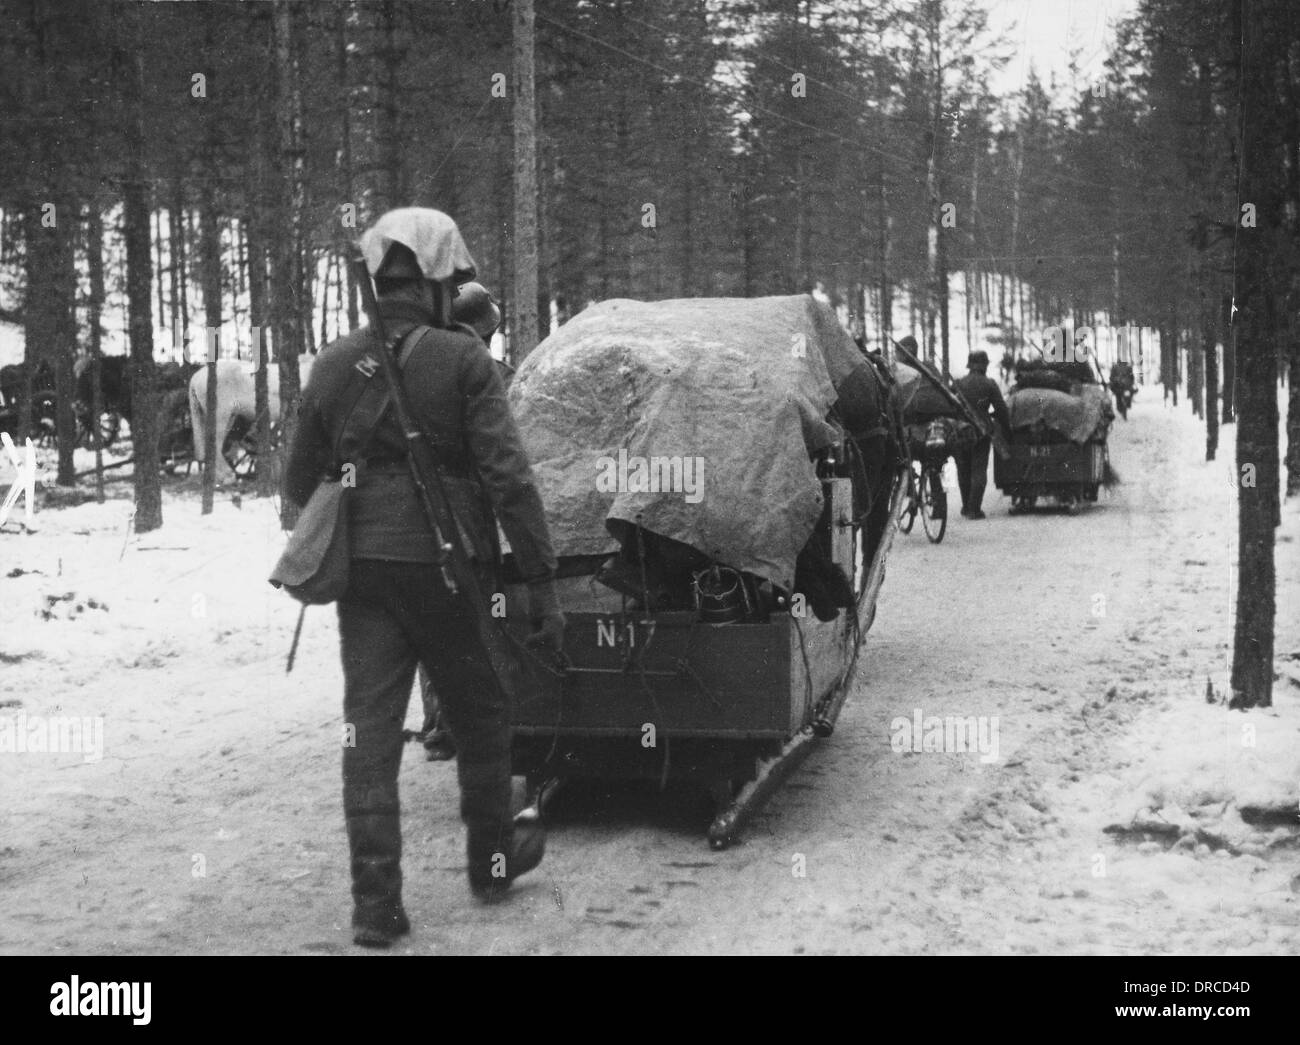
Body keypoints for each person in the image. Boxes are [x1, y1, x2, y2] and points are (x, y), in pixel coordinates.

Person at [283, 207, 565, 947]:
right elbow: (509, 477)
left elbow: (297, 484)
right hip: (446, 571)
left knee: (368, 736)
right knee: (480, 713)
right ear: (439, 280)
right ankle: (493, 863)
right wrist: (538, 577)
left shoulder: (335, 363)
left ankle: (376, 905)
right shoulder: (464, 358)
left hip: (364, 576)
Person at [417, 279, 511, 763]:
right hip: (476, 518)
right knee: (482, 621)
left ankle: (439, 726)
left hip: (423, 519)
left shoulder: (416, 372)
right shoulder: (497, 376)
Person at [953, 349, 1011, 520]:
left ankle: (965, 506)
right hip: (981, 431)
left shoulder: (958, 384)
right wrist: (1007, 431)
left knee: (963, 469)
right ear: (984, 365)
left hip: (961, 431)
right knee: (978, 469)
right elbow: (1001, 410)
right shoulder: (989, 384)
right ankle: (974, 509)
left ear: (969, 365)